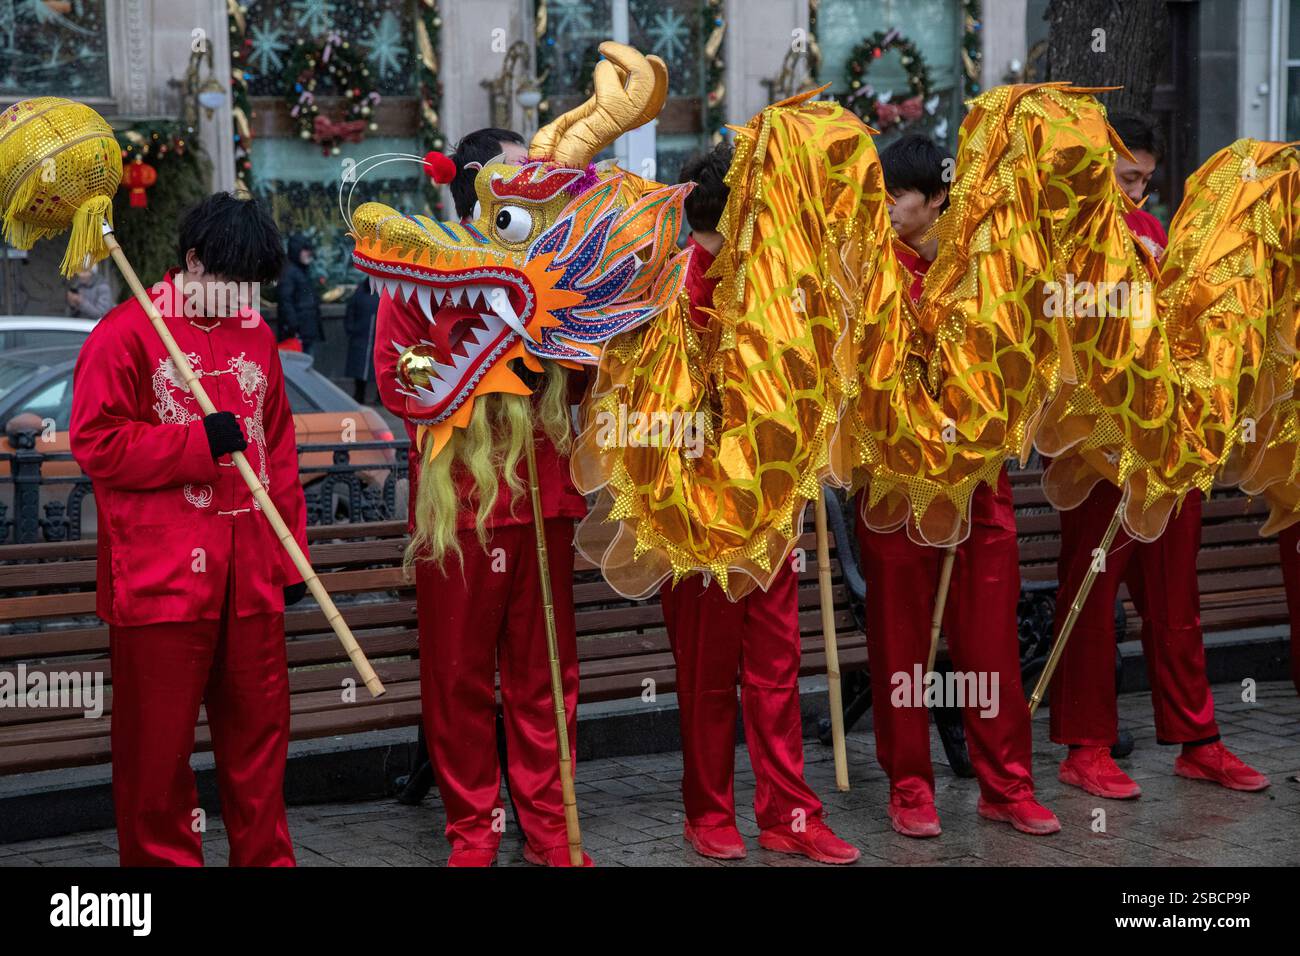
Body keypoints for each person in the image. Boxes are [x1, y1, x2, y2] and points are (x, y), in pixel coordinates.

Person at [373, 128, 592, 867]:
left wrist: (566, 354)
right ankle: (474, 826)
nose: (529, 178)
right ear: (474, 183)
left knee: (546, 675)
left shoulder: (557, 263)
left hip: (545, 501)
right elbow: (401, 379)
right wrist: (491, 363)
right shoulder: (422, 269)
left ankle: (550, 824)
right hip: (460, 507)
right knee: (459, 675)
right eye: (514, 168)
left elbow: (596, 366)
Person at [69, 193, 309, 866]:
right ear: (193, 263)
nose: (242, 300)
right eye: (230, 284)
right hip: (162, 583)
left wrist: (291, 564)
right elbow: (96, 444)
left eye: (253, 286)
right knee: (157, 757)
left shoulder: (257, 336)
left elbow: (279, 451)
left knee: (260, 747)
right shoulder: (126, 332)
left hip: (252, 576)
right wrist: (193, 444)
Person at [1047, 112, 1270, 797]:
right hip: (1098, 450)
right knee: (1093, 590)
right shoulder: (1068, 239)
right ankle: (1085, 746)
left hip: (1167, 442)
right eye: (1125, 178)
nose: (1137, 192)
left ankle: (1197, 737)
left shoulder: (1152, 232)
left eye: (1145, 179)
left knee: (1176, 594)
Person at [655, 143, 861, 864]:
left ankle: (789, 814)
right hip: (695, 516)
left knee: (776, 670)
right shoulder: (668, 289)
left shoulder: (774, 282)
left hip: (772, 511)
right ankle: (707, 812)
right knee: (708, 676)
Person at [853, 133, 1060, 839]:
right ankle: (909, 784)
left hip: (978, 487)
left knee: (989, 644)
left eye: (896, 196)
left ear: (937, 197)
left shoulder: (986, 270)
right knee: (902, 643)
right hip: (896, 489)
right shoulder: (868, 273)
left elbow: (1023, 364)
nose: (882, 208)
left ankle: (1007, 782)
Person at [277, 235, 324, 355]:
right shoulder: (291, 272)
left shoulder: (301, 271)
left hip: (305, 329)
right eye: (305, 250)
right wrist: (294, 327)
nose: (309, 253)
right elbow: (285, 301)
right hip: (299, 332)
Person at [343, 279, 379, 403]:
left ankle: (372, 396)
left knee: (375, 368)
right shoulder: (361, 293)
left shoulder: (363, 293)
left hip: (371, 336)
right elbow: (350, 312)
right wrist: (351, 329)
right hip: (362, 335)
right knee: (362, 369)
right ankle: (361, 395)